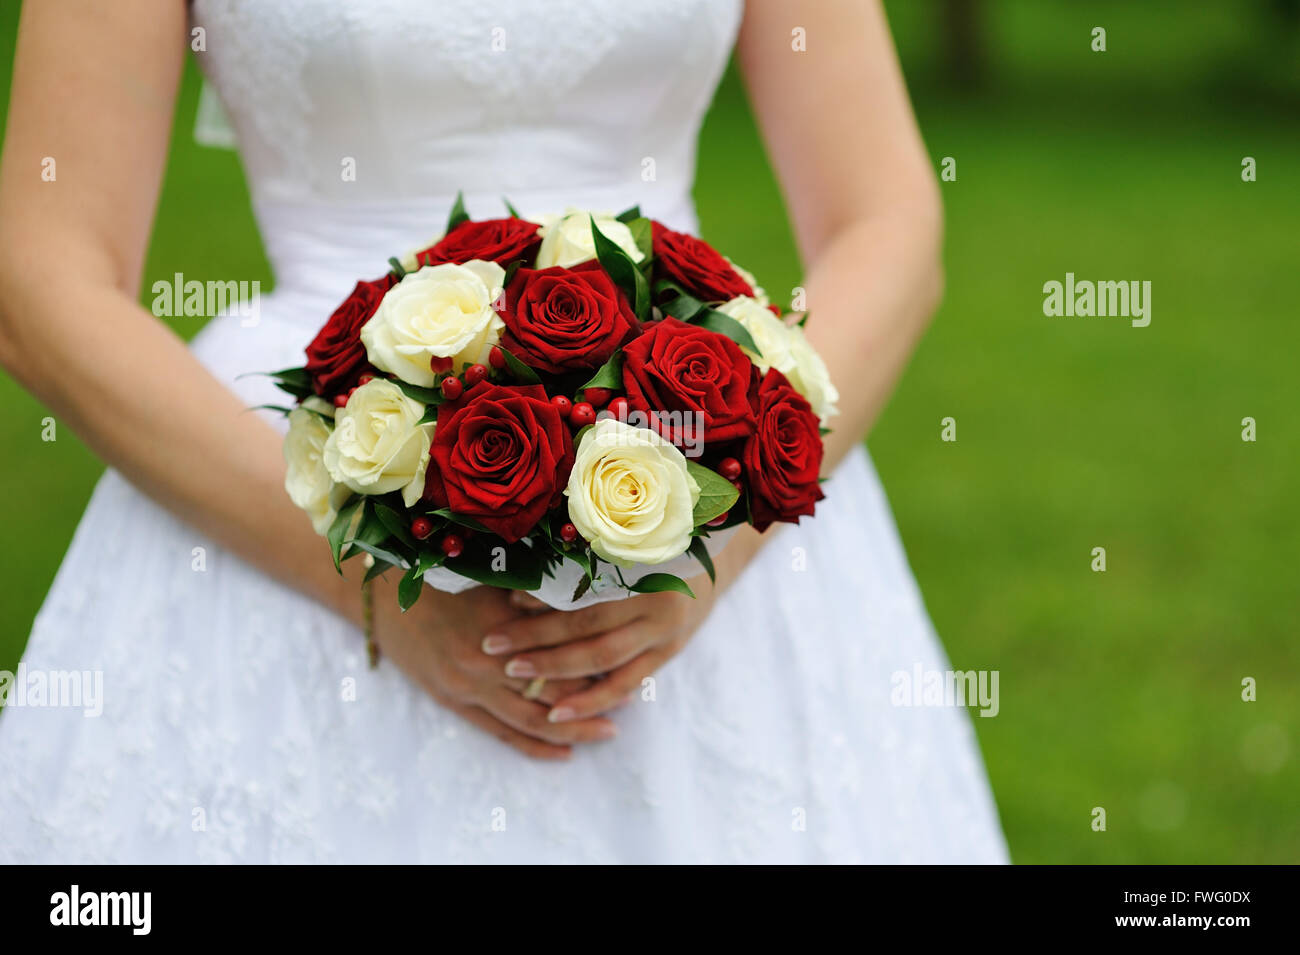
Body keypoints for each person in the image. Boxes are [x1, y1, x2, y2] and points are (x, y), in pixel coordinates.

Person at [0, 0, 1006, 863]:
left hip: (703, 470)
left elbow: (884, 220)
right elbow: (40, 280)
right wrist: (364, 578)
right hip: (282, 474)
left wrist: (718, 532)